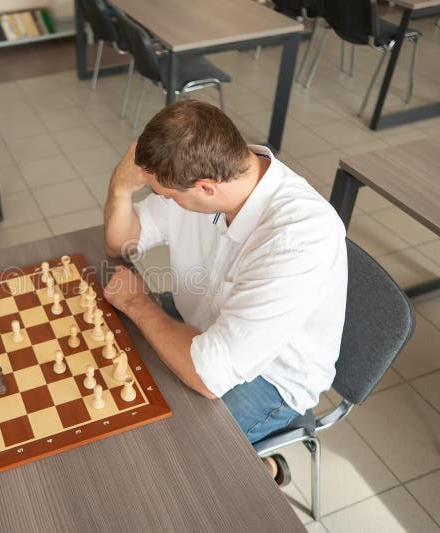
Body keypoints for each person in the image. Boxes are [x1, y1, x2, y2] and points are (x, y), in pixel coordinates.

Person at [102, 100, 347, 485]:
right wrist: (120, 188)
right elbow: (122, 244)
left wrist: (138, 303)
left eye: (167, 196)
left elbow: (207, 375)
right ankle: (248, 463)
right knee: (111, 361)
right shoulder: (203, 168)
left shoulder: (298, 241)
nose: (165, 200)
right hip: (202, 329)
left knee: (161, 462)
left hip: (271, 379)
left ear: (205, 188)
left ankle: (262, 471)